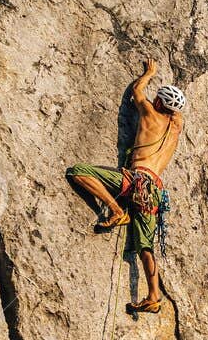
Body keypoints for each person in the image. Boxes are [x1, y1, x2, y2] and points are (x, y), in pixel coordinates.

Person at [65, 59, 185, 314]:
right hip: (154, 192)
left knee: (78, 172)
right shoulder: (176, 128)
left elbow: (137, 93)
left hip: (135, 180)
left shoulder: (150, 113)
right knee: (145, 246)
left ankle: (116, 211)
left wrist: (149, 73)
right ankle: (153, 296)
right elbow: (177, 114)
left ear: (160, 104)